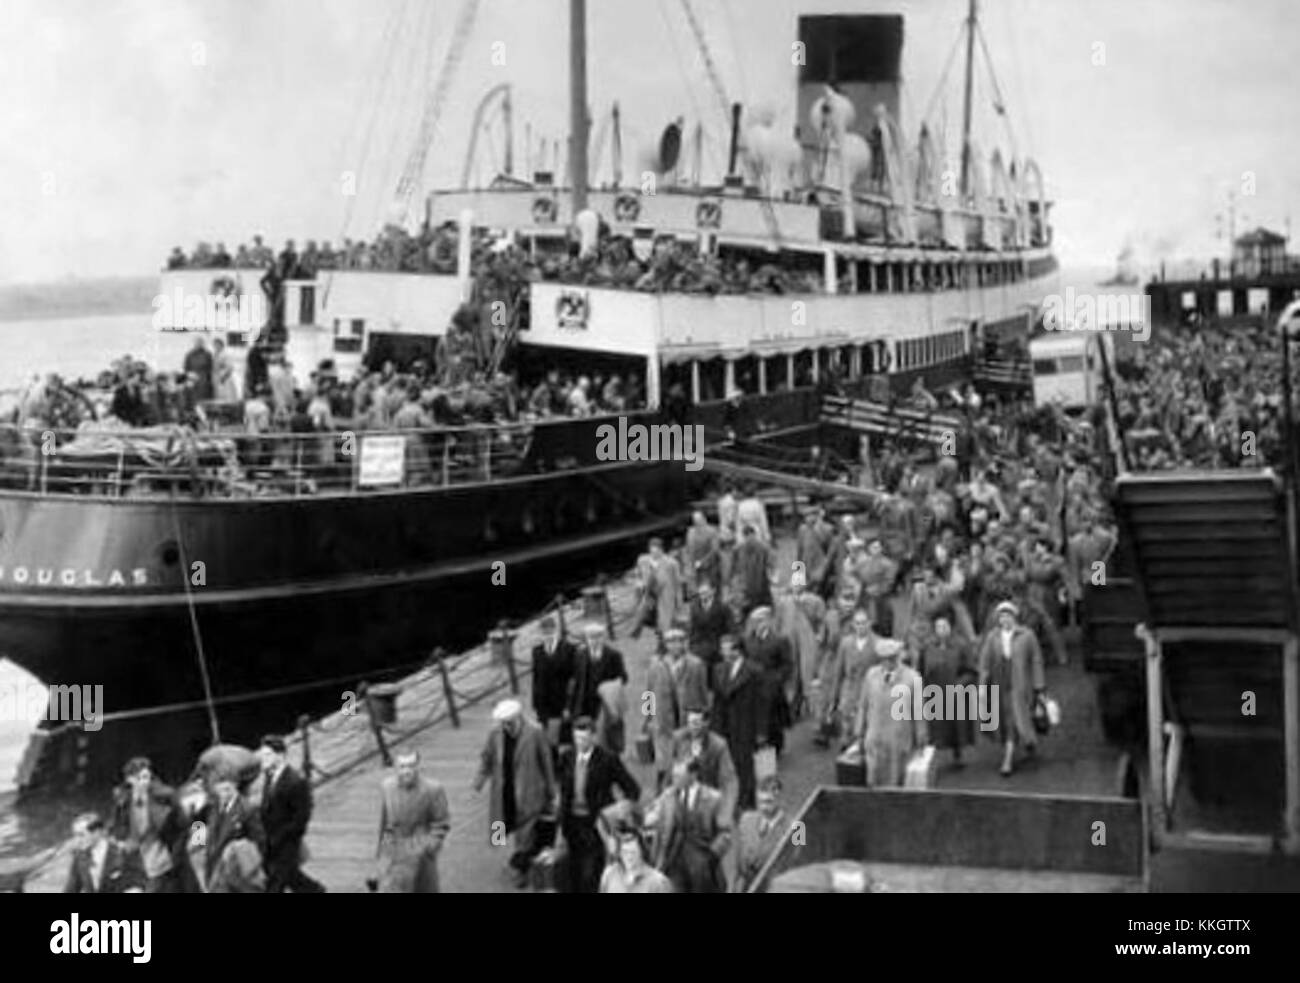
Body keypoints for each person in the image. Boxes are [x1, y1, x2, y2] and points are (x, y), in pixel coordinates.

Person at [472, 698, 559, 887]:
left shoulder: (535, 732)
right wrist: (479, 779)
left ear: (518, 718)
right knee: (500, 830)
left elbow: (546, 763)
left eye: (509, 722)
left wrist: (552, 792)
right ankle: (518, 858)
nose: (506, 726)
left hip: (529, 792)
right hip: (503, 792)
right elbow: (487, 757)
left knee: (525, 833)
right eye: (503, 723)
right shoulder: (495, 734)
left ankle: (520, 868)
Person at [558, 716, 641, 893]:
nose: (580, 743)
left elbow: (632, 789)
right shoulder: (567, 757)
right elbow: (563, 788)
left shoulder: (607, 759)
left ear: (594, 737)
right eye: (577, 738)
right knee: (573, 869)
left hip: (595, 823)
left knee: (592, 871)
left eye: (584, 738)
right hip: (572, 823)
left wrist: (620, 810)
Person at [977, 601, 1046, 776]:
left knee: (1016, 717)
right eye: (1001, 616)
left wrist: (1039, 687)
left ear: (1014, 617)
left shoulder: (1027, 635)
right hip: (1000, 683)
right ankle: (1026, 740)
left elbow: (1036, 661)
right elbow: (984, 663)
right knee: (1007, 718)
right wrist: (983, 687)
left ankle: (1008, 760)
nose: (1004, 620)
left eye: (1007, 616)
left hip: (1021, 684)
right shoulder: (993, 637)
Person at [646, 758, 731, 893]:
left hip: (702, 863)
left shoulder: (714, 798)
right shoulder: (668, 796)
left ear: (693, 775)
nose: (674, 779)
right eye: (673, 775)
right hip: (673, 858)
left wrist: (711, 856)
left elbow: (725, 833)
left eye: (679, 776)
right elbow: (652, 816)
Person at [854, 638, 928, 787]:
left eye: (892, 658)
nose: (888, 662)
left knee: (897, 783)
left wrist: (921, 738)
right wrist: (859, 731)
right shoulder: (871, 675)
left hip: (899, 740)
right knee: (873, 780)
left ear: (899, 656)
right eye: (884, 659)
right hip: (875, 739)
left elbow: (919, 712)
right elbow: (863, 705)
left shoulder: (913, 678)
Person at [644, 628, 710, 791]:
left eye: (679, 642)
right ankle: (663, 792)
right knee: (664, 760)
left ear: (684, 644)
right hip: (662, 720)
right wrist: (648, 718)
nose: (675, 646)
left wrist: (703, 716)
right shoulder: (656, 665)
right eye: (671, 642)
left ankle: (689, 790)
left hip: (687, 721)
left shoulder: (696, 664)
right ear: (666, 645)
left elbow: (703, 693)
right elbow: (648, 693)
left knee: (687, 760)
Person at [374, 750, 450, 893]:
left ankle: (498, 840)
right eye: (402, 766)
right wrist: (380, 854)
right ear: (396, 767)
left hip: (420, 853)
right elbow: (384, 822)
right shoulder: (387, 787)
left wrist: (429, 847)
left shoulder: (433, 789)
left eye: (411, 765)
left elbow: (442, 823)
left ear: (418, 767)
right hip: (394, 852)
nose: (407, 771)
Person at [259, 735, 325, 893]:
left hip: (287, 842)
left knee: (275, 884)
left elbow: (301, 817)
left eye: (267, 755)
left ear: (280, 755)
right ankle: (315, 890)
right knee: (293, 878)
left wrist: (285, 836)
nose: (264, 759)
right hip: (270, 841)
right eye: (262, 755)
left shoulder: (295, 782)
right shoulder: (269, 777)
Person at [109, 756, 182, 893]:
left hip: (158, 855)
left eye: (147, 777)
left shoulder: (165, 798)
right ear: (130, 780)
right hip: (131, 857)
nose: (145, 782)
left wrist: (197, 842)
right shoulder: (122, 799)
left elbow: (188, 823)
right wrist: (119, 842)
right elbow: (115, 825)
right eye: (140, 778)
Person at [711, 635, 765, 814]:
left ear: (737, 650)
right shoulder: (718, 669)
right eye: (722, 649)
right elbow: (717, 701)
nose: (724, 653)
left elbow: (762, 703)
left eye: (727, 649)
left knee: (744, 764)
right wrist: (715, 727)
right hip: (724, 724)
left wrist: (761, 731)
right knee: (726, 763)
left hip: (745, 724)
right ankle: (730, 797)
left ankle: (746, 800)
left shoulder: (753, 671)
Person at [917, 615, 976, 766]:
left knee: (955, 727)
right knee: (934, 728)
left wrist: (960, 684)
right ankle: (931, 759)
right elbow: (920, 669)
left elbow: (970, 670)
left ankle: (958, 754)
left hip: (954, 693)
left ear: (950, 628)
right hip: (933, 692)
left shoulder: (961, 645)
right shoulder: (927, 646)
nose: (942, 630)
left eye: (945, 626)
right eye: (938, 627)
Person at [197, 776, 265, 893]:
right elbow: (198, 822)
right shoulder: (212, 806)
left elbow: (259, 839)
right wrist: (199, 843)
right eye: (220, 789)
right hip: (213, 865)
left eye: (227, 789)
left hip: (236, 870)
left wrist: (251, 865)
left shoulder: (247, 809)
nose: (224, 793)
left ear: (235, 786)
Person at [670, 707, 739, 817]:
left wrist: (727, 808)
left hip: (707, 798)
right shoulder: (678, 738)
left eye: (696, 723)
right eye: (690, 723)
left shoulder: (718, 745)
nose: (692, 727)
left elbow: (729, 779)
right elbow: (670, 772)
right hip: (683, 795)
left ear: (706, 723)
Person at [742, 606, 794, 754]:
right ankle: (758, 746)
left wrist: (776, 679)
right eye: (755, 621)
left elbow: (787, 665)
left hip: (771, 687)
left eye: (761, 621)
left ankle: (776, 747)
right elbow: (744, 659)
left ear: (769, 621)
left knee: (773, 721)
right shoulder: (747, 639)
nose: (758, 624)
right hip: (752, 686)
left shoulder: (780, 640)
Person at [731, 775, 788, 892]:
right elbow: (738, 857)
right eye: (760, 802)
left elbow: (796, 865)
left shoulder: (797, 828)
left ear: (780, 799)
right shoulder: (746, 819)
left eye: (768, 802)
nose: (763, 808)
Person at [63, 812, 145, 894]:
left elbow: (139, 884)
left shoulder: (124, 853)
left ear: (97, 832)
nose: (77, 840)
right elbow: (71, 889)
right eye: (75, 835)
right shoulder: (80, 857)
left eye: (81, 835)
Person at [531, 615, 576, 747]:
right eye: (544, 632)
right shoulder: (537, 651)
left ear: (555, 630)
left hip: (562, 702)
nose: (547, 635)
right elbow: (536, 678)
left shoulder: (568, 649)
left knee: (565, 741)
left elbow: (573, 679)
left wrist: (569, 705)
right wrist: (536, 703)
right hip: (544, 704)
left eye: (550, 632)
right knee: (548, 742)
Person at [633, 537, 684, 647]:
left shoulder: (671, 563)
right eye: (652, 551)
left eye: (656, 551)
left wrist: (679, 601)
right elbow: (637, 574)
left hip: (665, 597)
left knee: (665, 623)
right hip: (649, 597)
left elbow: (678, 583)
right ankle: (658, 640)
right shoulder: (643, 560)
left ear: (661, 550)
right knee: (649, 619)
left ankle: (664, 645)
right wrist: (639, 582)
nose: (654, 554)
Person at [688, 580, 733, 689]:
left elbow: (729, 628)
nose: (702, 595)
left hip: (717, 644)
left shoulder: (722, 607)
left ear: (713, 591)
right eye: (701, 593)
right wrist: (692, 644)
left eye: (705, 592)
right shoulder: (694, 607)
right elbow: (693, 629)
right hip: (699, 644)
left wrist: (725, 644)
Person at [599, 829, 673, 893]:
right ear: (620, 853)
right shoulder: (610, 874)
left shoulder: (658, 882)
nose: (629, 857)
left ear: (642, 851)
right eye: (625, 852)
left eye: (633, 852)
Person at [731, 524, 774, 619]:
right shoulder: (738, 550)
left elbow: (771, 564)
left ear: (754, 535)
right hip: (746, 587)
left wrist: (771, 576)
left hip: (762, 585)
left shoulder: (763, 548)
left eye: (751, 536)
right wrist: (736, 583)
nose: (750, 539)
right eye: (747, 536)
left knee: (765, 612)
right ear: (744, 537)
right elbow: (734, 569)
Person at [684, 510, 722, 594]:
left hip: (710, 568)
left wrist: (702, 562)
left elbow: (715, 550)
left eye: (699, 520)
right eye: (695, 521)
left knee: (710, 591)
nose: (697, 523)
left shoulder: (712, 531)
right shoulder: (690, 532)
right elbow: (688, 550)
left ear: (704, 519)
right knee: (698, 592)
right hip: (695, 569)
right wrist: (689, 565)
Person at [182, 337, 214, 402]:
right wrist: (188, 375)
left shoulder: (207, 354)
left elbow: (210, 367)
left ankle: (201, 408)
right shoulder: (190, 354)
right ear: (194, 344)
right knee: (192, 394)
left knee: (203, 395)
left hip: (203, 377)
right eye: (196, 343)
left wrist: (206, 377)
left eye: (200, 343)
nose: (198, 344)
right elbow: (186, 367)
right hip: (192, 376)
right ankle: (192, 408)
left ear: (202, 344)